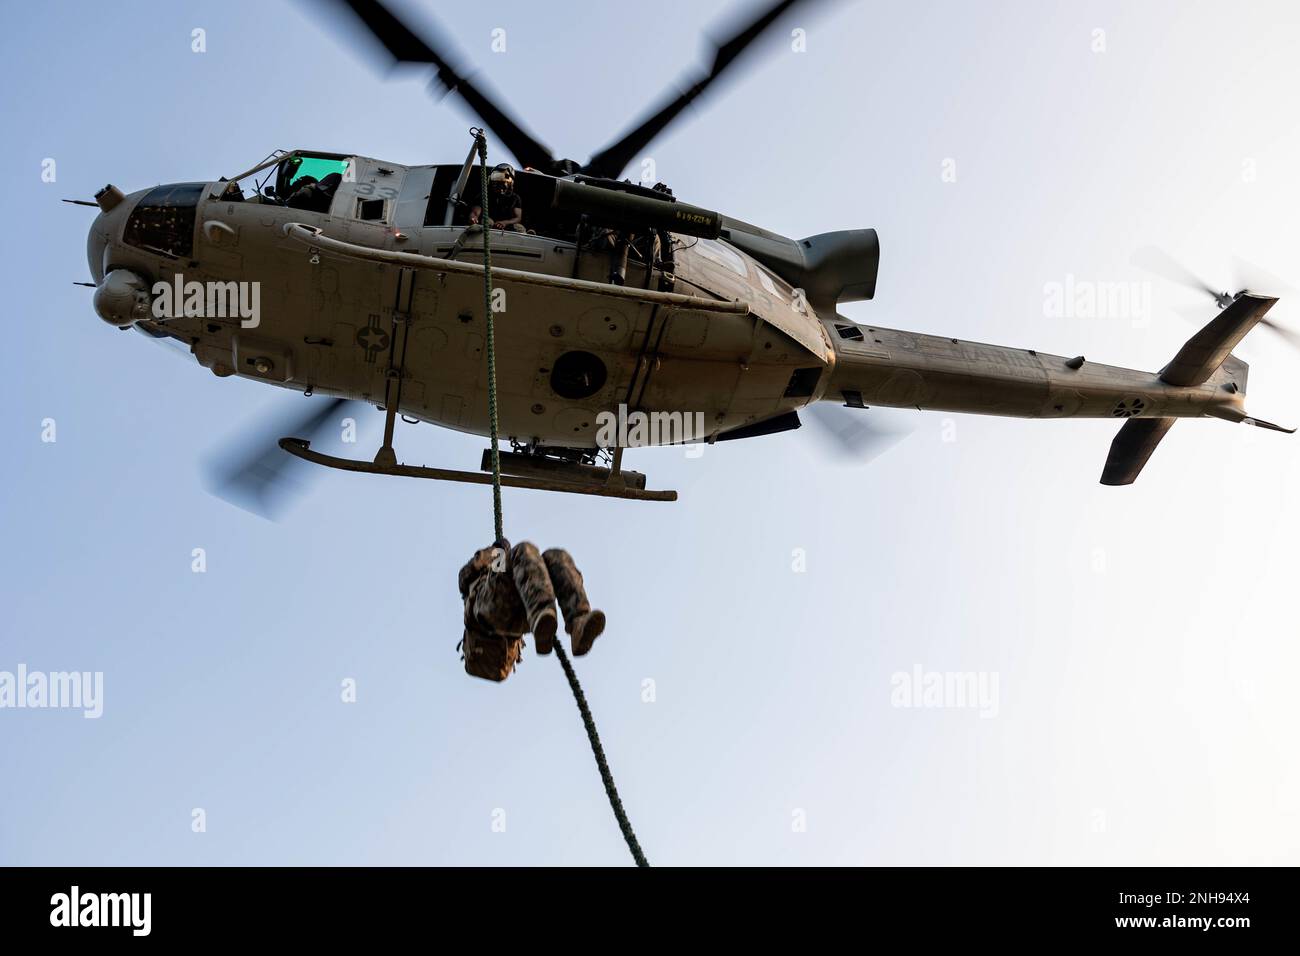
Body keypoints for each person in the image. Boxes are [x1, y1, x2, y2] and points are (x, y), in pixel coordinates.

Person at [457, 540, 606, 682]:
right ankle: (541, 614)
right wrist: (496, 551)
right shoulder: (473, 578)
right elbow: (473, 570)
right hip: (488, 611)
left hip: (518, 617)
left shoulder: (506, 571)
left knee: (556, 556)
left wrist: (500, 552)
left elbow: (500, 572)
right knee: (524, 550)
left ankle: (577, 622)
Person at [468, 163, 526, 232]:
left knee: (520, 228)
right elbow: (475, 212)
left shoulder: (515, 198)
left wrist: (505, 222)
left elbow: (518, 218)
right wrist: (473, 219)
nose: (498, 185)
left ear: (510, 182)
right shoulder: (483, 195)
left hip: (507, 227)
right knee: (487, 222)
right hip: (488, 225)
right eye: (496, 177)